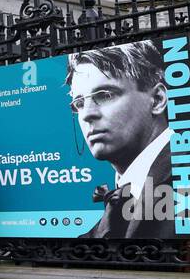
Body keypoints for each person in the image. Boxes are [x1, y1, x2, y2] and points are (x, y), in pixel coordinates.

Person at [66, 41, 174, 239]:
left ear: (157, 100)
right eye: (79, 103)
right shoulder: (120, 196)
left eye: (105, 95)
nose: (86, 114)